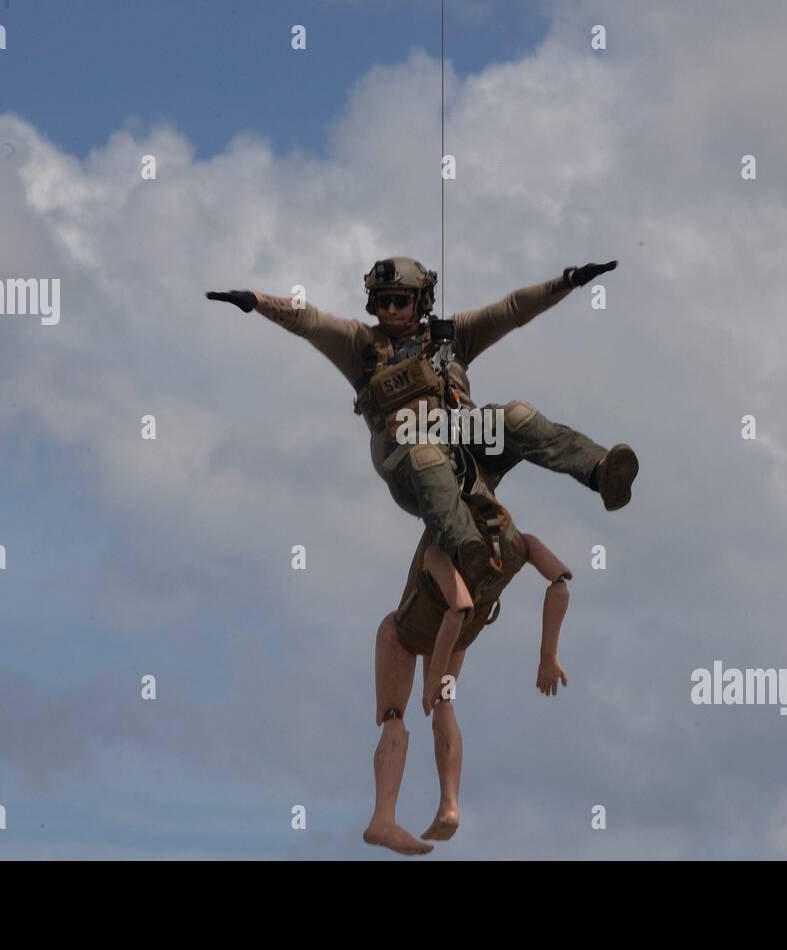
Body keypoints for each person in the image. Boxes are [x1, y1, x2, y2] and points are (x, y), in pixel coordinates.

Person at [206, 257, 639, 576]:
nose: (391, 310)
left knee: (518, 415)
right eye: (382, 302)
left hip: (467, 446)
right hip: (410, 468)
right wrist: (256, 301)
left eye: (400, 301)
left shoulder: (453, 336)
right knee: (424, 452)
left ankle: (601, 472)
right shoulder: (359, 346)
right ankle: (467, 549)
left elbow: (511, 311)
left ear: (421, 300)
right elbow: (310, 321)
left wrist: (567, 282)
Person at [362, 486, 573, 855]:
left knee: (395, 716)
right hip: (457, 636)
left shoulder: (439, 550)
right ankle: (450, 806)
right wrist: (547, 656)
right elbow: (559, 583)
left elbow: (457, 608)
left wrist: (432, 678)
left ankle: (384, 817)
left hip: (410, 633)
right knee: (444, 703)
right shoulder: (519, 545)